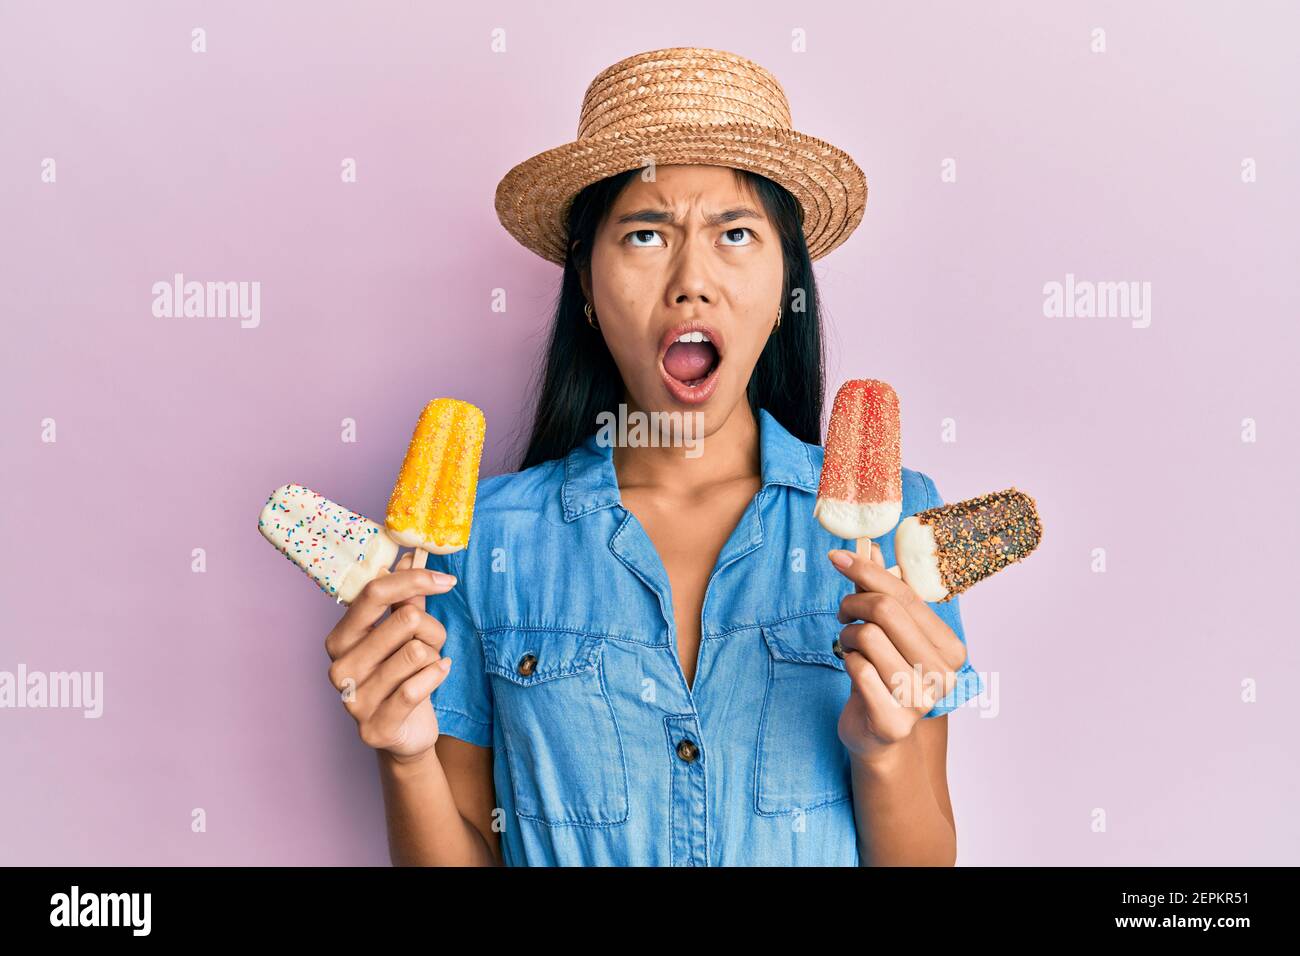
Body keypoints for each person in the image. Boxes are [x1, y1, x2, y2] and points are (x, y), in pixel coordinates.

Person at [324, 47, 983, 866]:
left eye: (735, 234)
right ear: (589, 291)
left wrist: (883, 747)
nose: (691, 282)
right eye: (644, 234)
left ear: (786, 290)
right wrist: (405, 754)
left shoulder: (898, 534)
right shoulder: (474, 546)